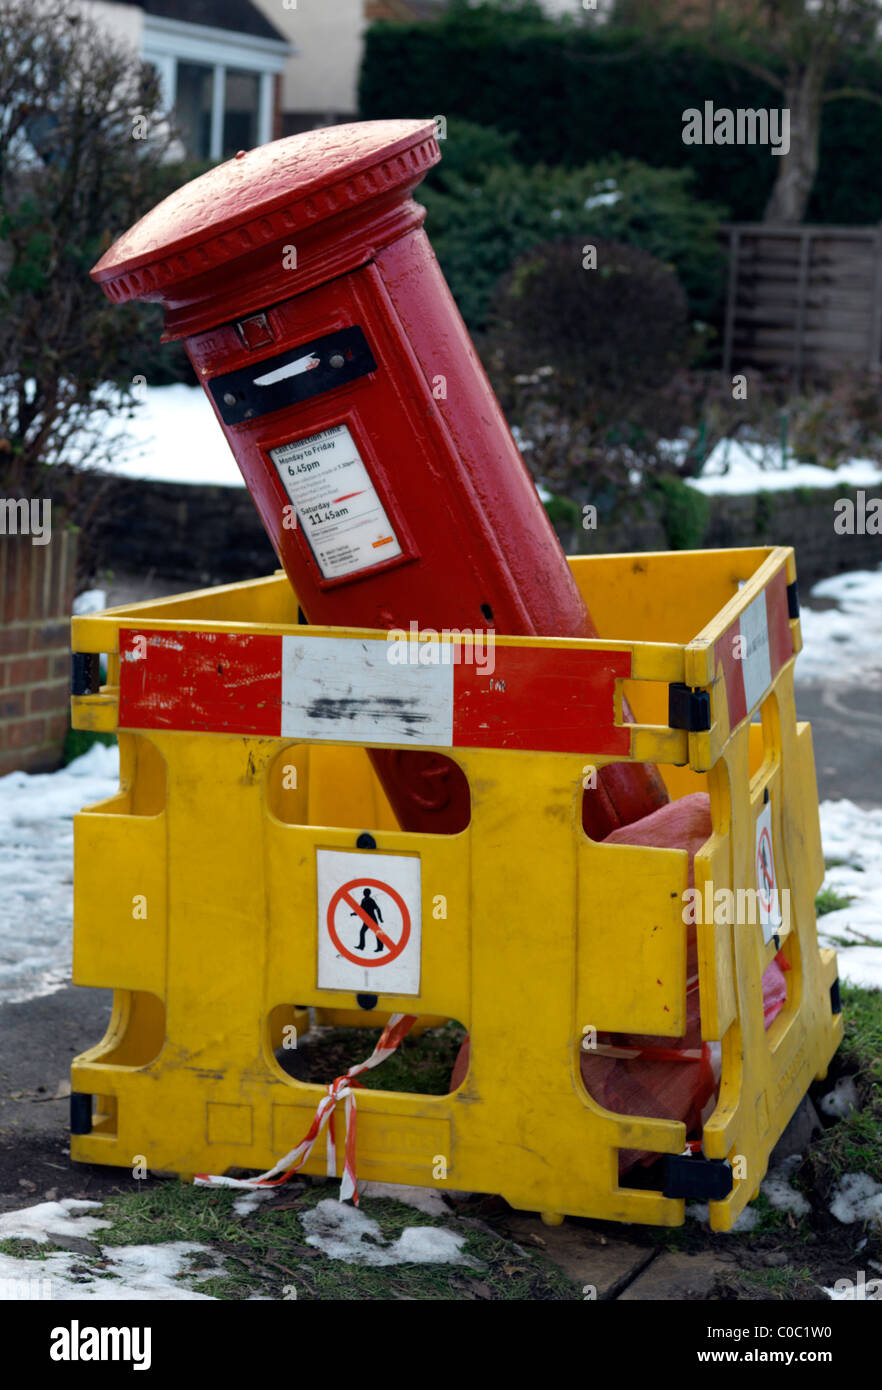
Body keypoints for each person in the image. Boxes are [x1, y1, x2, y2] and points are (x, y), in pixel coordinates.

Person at [352, 887, 384, 953]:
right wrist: (354, 913)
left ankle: (380, 947)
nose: (364, 893)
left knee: (377, 933)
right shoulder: (363, 900)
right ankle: (361, 946)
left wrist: (380, 918)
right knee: (362, 932)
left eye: (365, 892)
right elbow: (360, 909)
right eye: (364, 892)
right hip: (367, 920)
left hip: (372, 919)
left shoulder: (371, 900)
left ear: (368, 893)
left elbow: (377, 909)